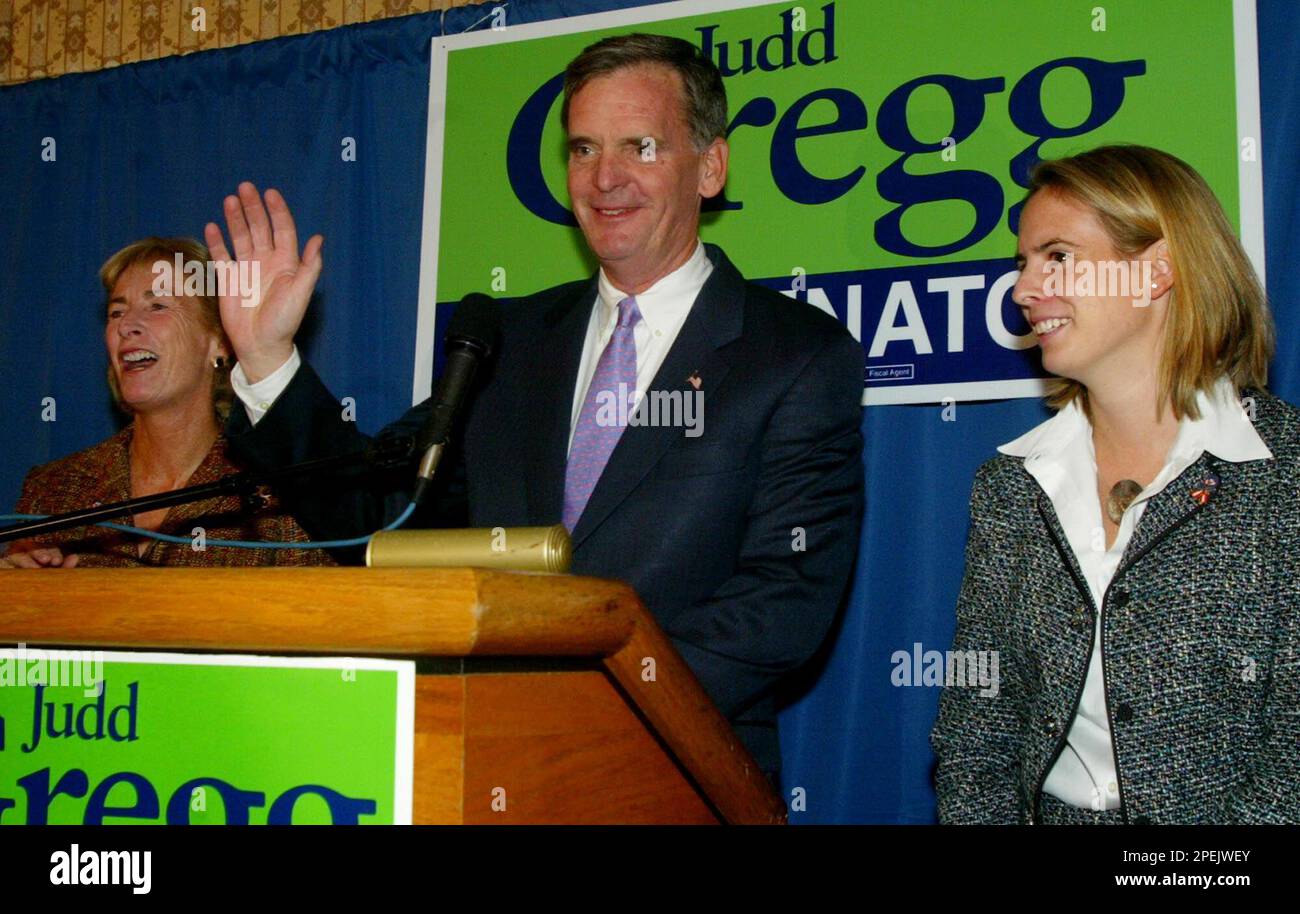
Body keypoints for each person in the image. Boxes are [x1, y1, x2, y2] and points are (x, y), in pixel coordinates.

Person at [205, 34, 864, 777]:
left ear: (711, 166)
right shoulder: (510, 342)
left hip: (672, 773)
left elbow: (784, 602)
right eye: (583, 149)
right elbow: (382, 521)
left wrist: (582, 711)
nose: (604, 178)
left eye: (639, 146)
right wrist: (267, 360)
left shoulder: (795, 355)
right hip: (487, 764)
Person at [931, 144, 1299, 824]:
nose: (1021, 290)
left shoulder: (1287, 480)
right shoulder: (1009, 487)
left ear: (1155, 273)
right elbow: (971, 726)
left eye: (1057, 256)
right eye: (1023, 264)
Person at [1, 238, 334, 569]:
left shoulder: (280, 494)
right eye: (116, 311)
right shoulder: (55, 490)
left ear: (219, 341)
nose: (126, 326)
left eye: (157, 305)